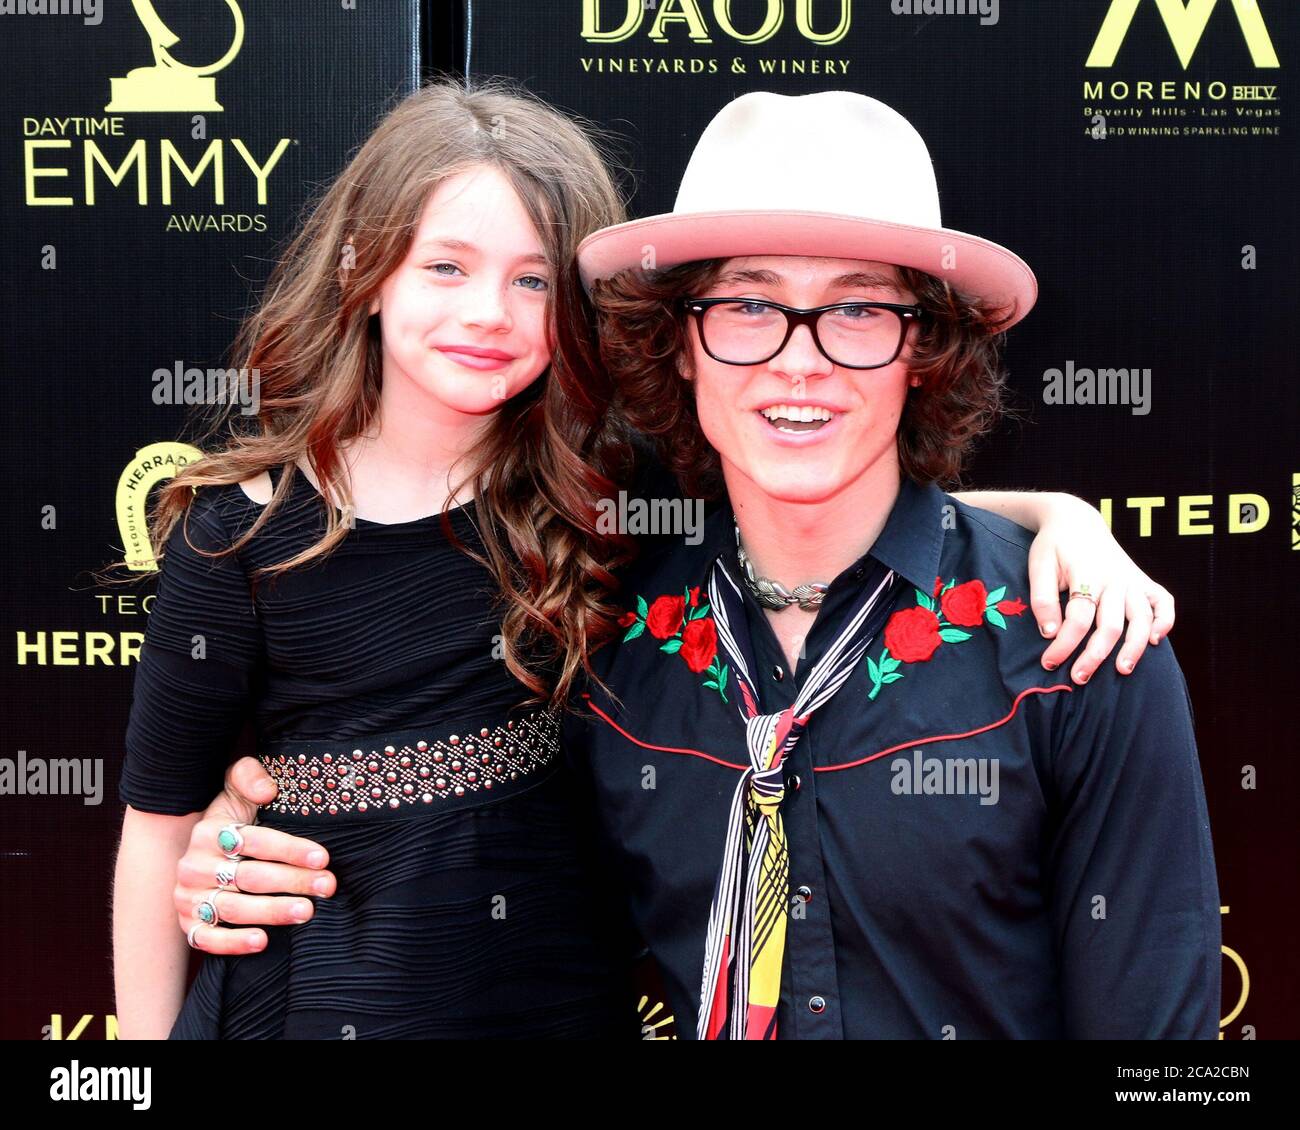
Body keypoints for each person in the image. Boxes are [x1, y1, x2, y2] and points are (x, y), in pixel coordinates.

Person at [144, 86, 1183, 1040]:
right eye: (747, 304)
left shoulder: (1074, 649)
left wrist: (1063, 520)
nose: (798, 357)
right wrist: (228, 836)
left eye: (861, 307)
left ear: (928, 345)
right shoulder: (620, 609)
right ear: (678, 343)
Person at [112, 78, 638, 1039]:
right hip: (311, 999)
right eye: (446, 266)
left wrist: (1015, 519)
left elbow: (829, 513)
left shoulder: (610, 499)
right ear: (367, 268)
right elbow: (155, 837)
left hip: (547, 993)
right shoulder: (239, 536)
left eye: (533, 281)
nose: (490, 313)